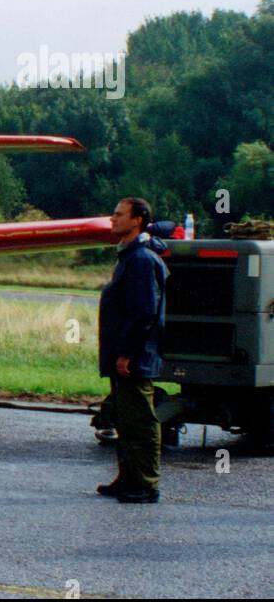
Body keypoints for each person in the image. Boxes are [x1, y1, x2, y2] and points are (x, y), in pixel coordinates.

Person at [97, 197, 169, 504]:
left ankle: (146, 483)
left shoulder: (140, 259)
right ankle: (128, 477)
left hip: (135, 356)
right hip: (124, 355)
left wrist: (127, 353)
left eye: (118, 215)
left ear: (137, 220)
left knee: (141, 421)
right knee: (126, 420)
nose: (112, 219)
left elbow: (144, 313)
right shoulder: (131, 255)